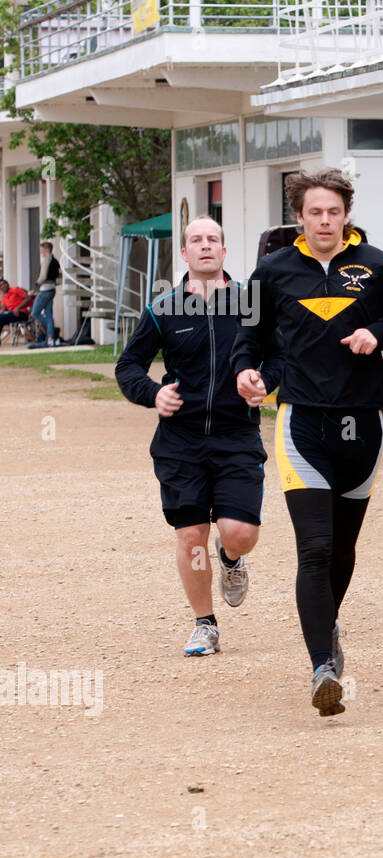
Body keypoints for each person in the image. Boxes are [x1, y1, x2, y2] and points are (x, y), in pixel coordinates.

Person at [233, 168, 383, 716]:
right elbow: (247, 338)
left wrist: (380, 333)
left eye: (334, 212)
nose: (325, 221)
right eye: (315, 212)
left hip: (363, 423)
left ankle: (328, 623)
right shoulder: (271, 272)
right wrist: (246, 372)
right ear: (299, 216)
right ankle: (322, 665)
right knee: (314, 547)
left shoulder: (379, 267)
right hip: (302, 424)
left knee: (342, 549)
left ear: (347, 215)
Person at [115, 215, 273, 657]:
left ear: (224, 251)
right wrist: (153, 394)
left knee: (239, 532)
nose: (205, 246)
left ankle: (232, 558)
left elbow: (279, 355)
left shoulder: (250, 303)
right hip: (180, 442)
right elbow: (128, 366)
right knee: (191, 535)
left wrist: (265, 381)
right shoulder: (163, 309)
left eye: (213, 240)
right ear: (183, 253)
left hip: (236, 436)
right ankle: (205, 624)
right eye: (196, 240)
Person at [28, 240, 61, 347]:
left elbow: (43, 276)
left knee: (35, 313)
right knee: (49, 315)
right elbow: (60, 275)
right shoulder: (55, 261)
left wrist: (36, 286)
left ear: (47, 249)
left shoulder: (47, 260)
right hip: (52, 289)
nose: (41, 251)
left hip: (45, 290)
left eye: (42, 249)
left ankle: (51, 331)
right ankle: (50, 338)